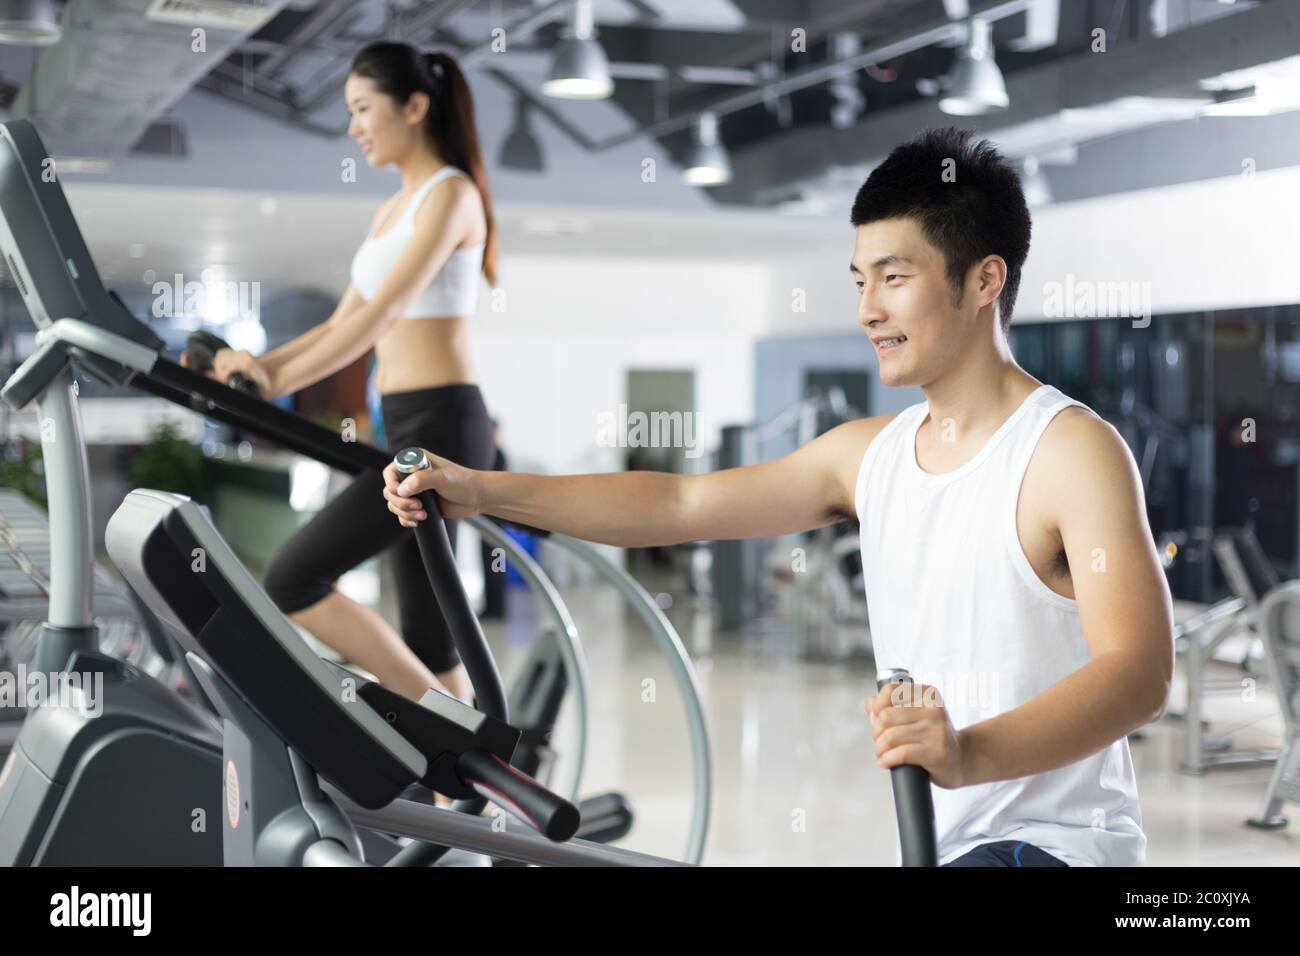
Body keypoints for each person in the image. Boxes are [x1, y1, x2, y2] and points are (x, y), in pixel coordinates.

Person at [383, 127, 1175, 867]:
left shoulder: (1070, 451)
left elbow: (1139, 670)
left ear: (984, 280)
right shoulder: (870, 454)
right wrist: (480, 489)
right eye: (861, 280)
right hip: (946, 839)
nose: (868, 308)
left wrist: (969, 753)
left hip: (1057, 848)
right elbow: (680, 507)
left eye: (895, 278)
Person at [195, 42, 498, 703]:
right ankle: (459, 782)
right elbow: (340, 322)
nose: (354, 126)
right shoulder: (392, 209)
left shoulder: (452, 196)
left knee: (293, 577)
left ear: (414, 107)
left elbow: (380, 317)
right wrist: (261, 368)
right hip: (404, 424)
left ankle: (449, 730)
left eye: (364, 108)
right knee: (429, 633)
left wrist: (272, 380)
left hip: (443, 423)